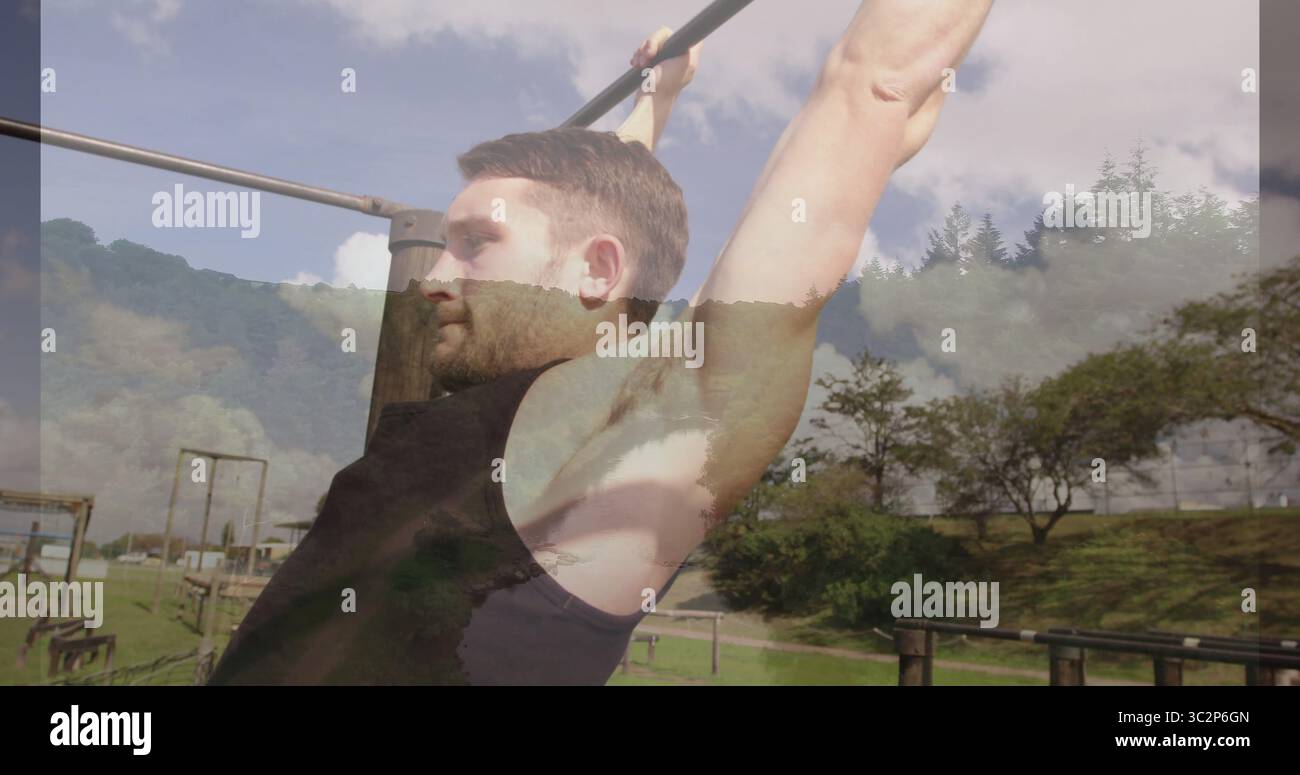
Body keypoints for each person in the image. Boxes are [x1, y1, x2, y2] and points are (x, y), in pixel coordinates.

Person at [209, 0, 994, 685]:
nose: (434, 279)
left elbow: (874, 86)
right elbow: (595, 226)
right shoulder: (497, 421)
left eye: (476, 243)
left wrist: (876, 110)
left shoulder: (617, 462)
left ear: (595, 272)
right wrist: (660, 97)